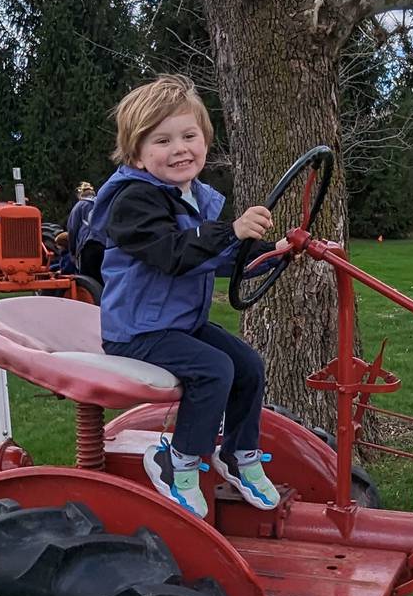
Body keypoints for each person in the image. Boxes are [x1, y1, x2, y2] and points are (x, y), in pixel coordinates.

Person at [90, 76, 280, 519]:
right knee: (214, 370)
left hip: (179, 325)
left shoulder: (190, 198)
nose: (180, 149)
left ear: (205, 142)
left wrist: (273, 254)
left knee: (248, 365)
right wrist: (230, 231)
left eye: (189, 136)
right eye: (162, 140)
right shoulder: (133, 201)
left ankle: (237, 453)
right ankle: (178, 464)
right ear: (137, 155)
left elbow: (214, 257)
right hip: (138, 331)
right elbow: (172, 255)